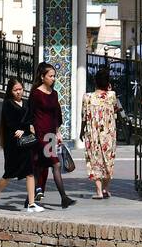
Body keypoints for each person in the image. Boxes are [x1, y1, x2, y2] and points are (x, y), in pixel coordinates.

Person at [0, 77, 43, 212]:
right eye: (15, 90)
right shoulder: (8, 104)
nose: (19, 92)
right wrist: (21, 128)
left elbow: (30, 121)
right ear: (10, 91)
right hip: (12, 145)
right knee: (9, 174)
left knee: (29, 172)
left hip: (25, 144)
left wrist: (25, 128)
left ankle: (31, 204)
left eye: (20, 89)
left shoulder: (25, 103)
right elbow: (10, 123)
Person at [29, 62, 75, 208]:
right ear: (42, 77)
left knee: (40, 167)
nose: (53, 78)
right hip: (40, 134)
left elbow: (56, 115)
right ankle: (64, 198)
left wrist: (58, 132)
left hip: (50, 135)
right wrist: (31, 128)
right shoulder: (36, 94)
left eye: (54, 76)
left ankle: (29, 198)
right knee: (55, 163)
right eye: (50, 76)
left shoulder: (54, 94)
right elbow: (29, 113)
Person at [83, 66, 121, 198]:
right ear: (108, 83)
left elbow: (84, 116)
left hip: (92, 132)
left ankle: (98, 191)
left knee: (95, 159)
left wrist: (81, 131)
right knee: (108, 159)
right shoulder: (111, 95)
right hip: (108, 133)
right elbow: (117, 109)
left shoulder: (87, 97)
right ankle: (106, 189)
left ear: (95, 81)